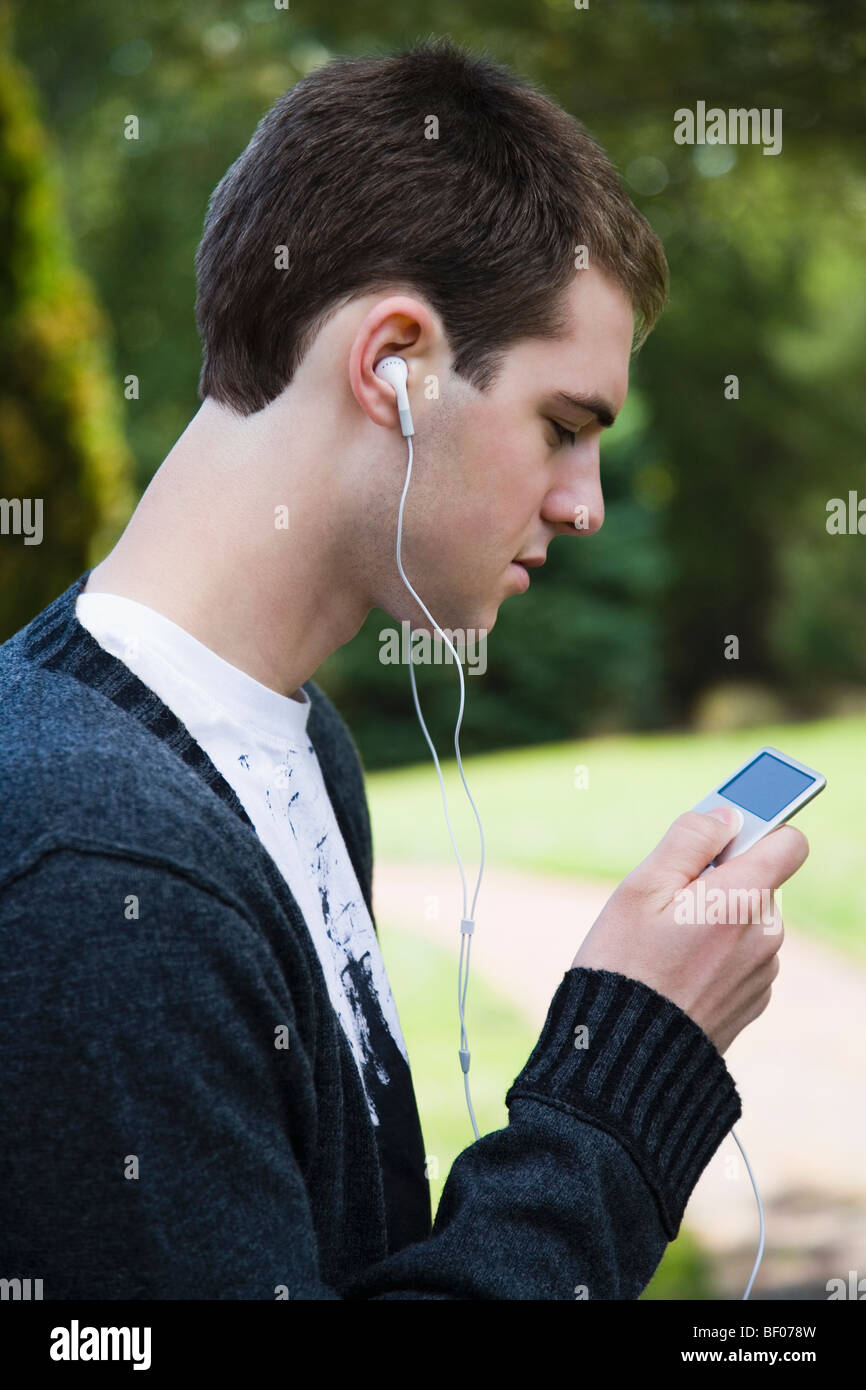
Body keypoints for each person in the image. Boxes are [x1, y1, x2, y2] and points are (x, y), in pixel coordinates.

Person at [0, 36, 807, 1300]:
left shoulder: (296, 743)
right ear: (393, 364)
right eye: (562, 426)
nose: (583, 504)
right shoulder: (97, 862)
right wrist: (623, 1080)